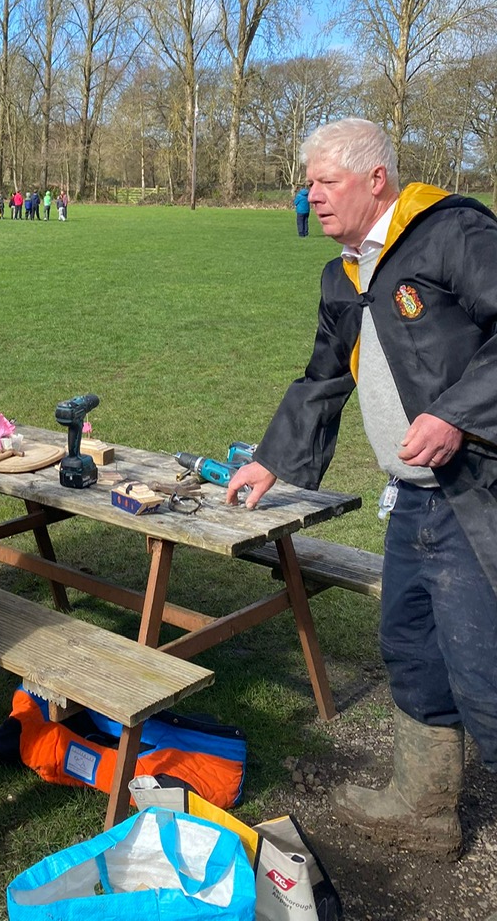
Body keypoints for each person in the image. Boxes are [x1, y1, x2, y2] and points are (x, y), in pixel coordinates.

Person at [227, 118, 497, 861]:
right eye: (307, 183)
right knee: (412, 647)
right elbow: (324, 376)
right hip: (412, 498)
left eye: (325, 182)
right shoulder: (342, 272)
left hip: (481, 492)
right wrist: (270, 460)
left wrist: (458, 416)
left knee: (485, 667)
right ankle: (424, 809)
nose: (310, 196)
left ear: (376, 180)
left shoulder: (453, 235)